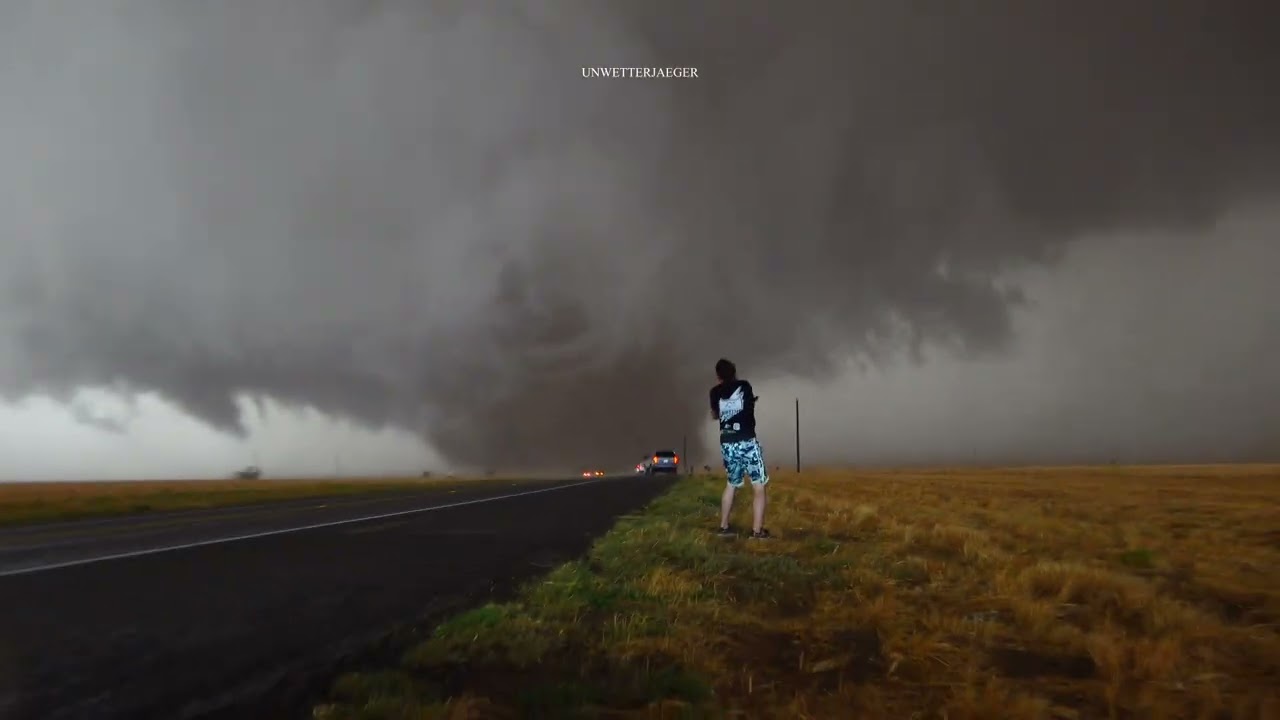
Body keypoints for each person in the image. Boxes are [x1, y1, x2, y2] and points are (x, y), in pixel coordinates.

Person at [709, 358, 770, 539]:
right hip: (747, 441)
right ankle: (757, 531)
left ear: (718, 375)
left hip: (727, 442)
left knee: (731, 483)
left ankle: (724, 527)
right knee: (759, 485)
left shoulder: (714, 392)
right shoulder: (744, 386)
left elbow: (715, 414)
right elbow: (749, 406)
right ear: (734, 372)